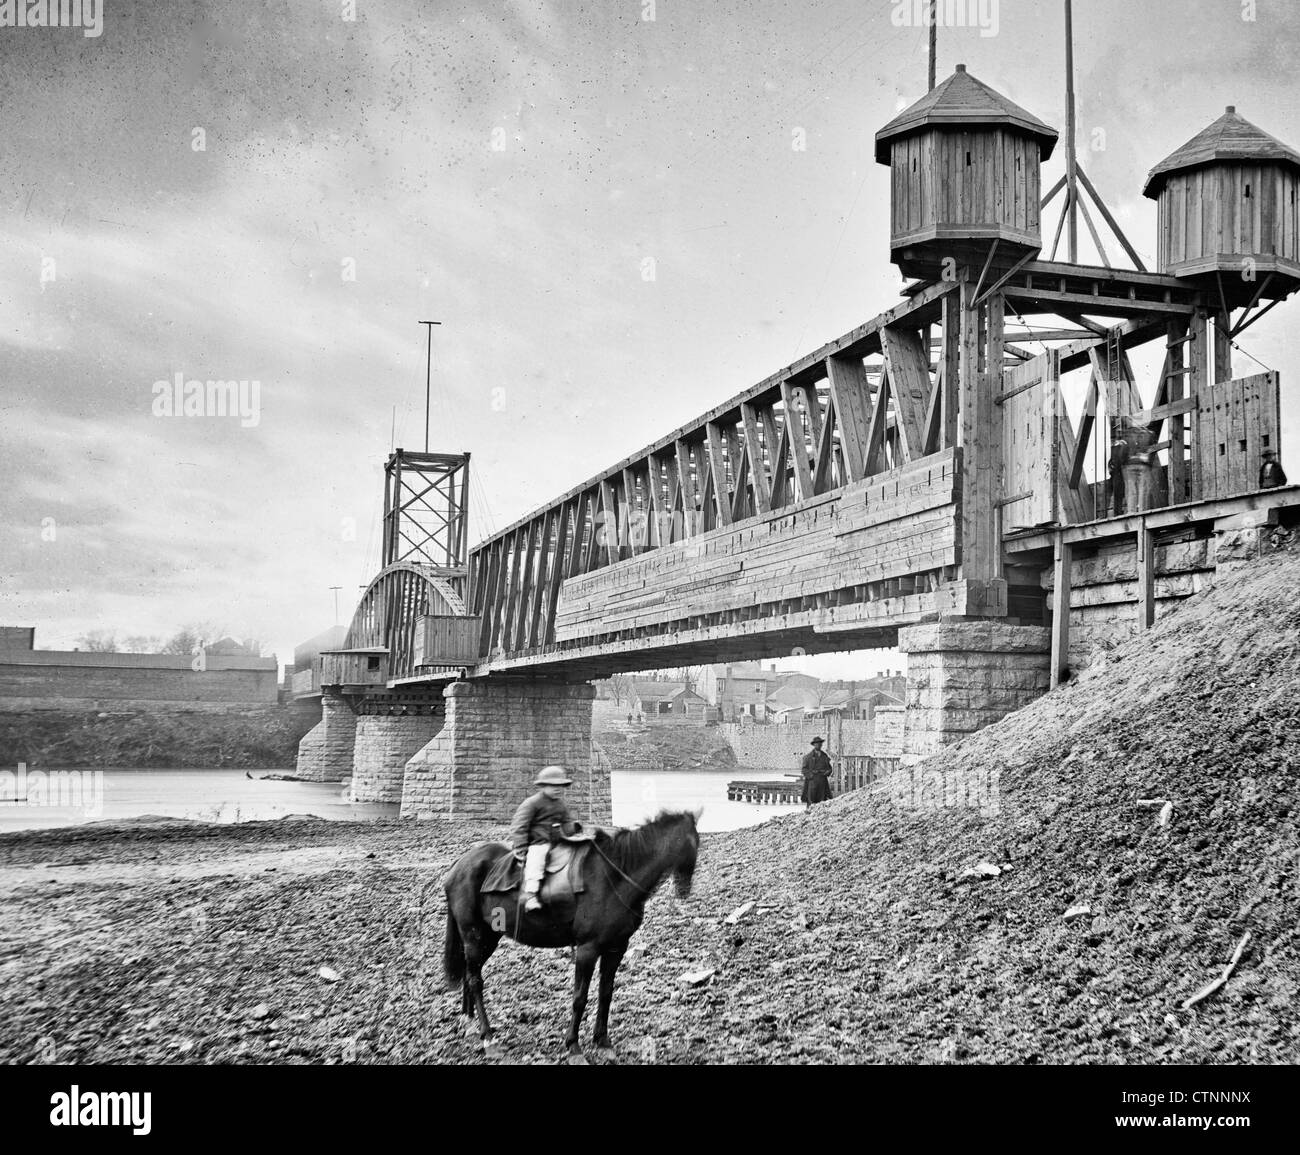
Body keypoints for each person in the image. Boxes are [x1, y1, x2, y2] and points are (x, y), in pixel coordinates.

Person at [510, 766, 573, 912]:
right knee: (536, 860)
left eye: (561, 786)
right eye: (553, 785)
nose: (558, 789)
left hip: (557, 842)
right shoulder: (532, 803)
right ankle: (530, 895)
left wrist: (574, 831)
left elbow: (567, 822)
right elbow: (519, 826)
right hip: (538, 842)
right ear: (543, 786)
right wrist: (521, 848)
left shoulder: (561, 804)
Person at [800, 736, 833, 812]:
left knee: (822, 799)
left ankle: (820, 815)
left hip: (822, 781)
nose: (819, 745)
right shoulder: (808, 757)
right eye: (817, 744)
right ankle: (809, 813)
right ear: (814, 745)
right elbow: (804, 770)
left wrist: (827, 772)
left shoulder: (824, 756)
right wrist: (811, 775)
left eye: (820, 744)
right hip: (812, 782)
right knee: (811, 799)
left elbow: (829, 768)